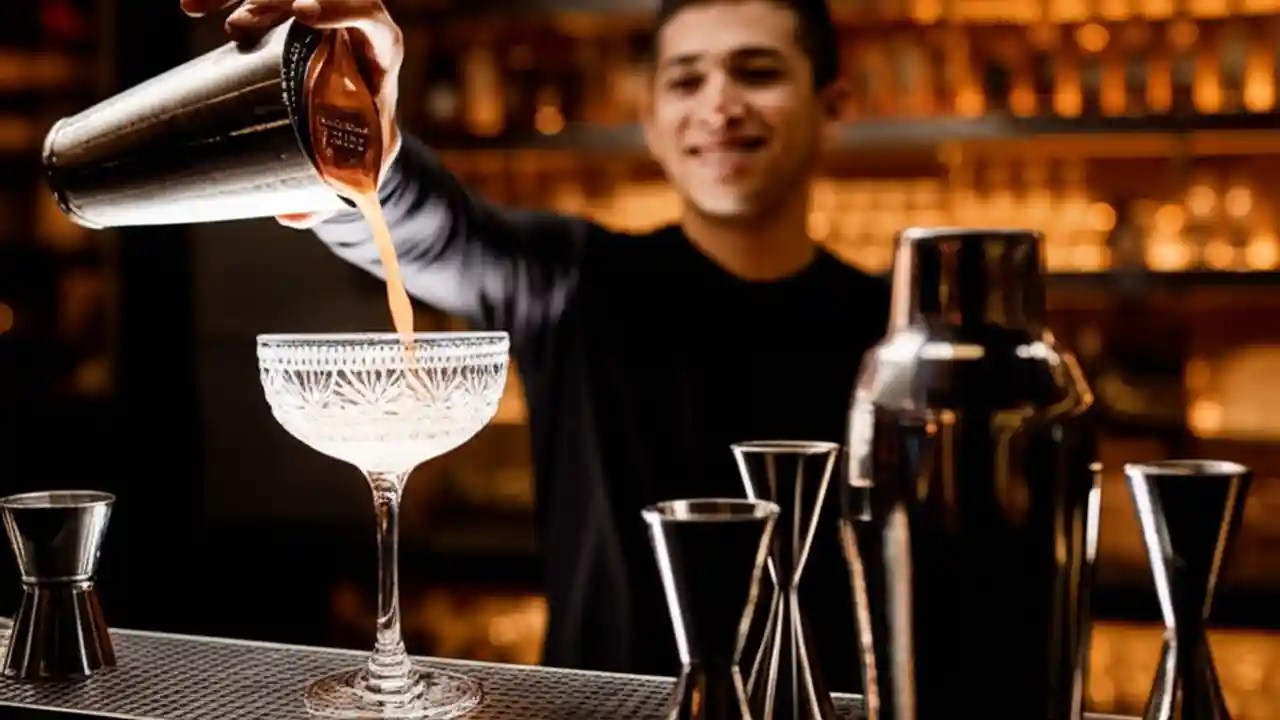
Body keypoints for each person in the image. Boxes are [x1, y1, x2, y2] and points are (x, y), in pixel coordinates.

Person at [181, 0, 890, 691]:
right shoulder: (576, 280)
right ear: (650, 119)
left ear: (834, 105)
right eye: (685, 79)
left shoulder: (892, 335)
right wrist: (357, 131)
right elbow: (435, 236)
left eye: (756, 71)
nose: (719, 105)